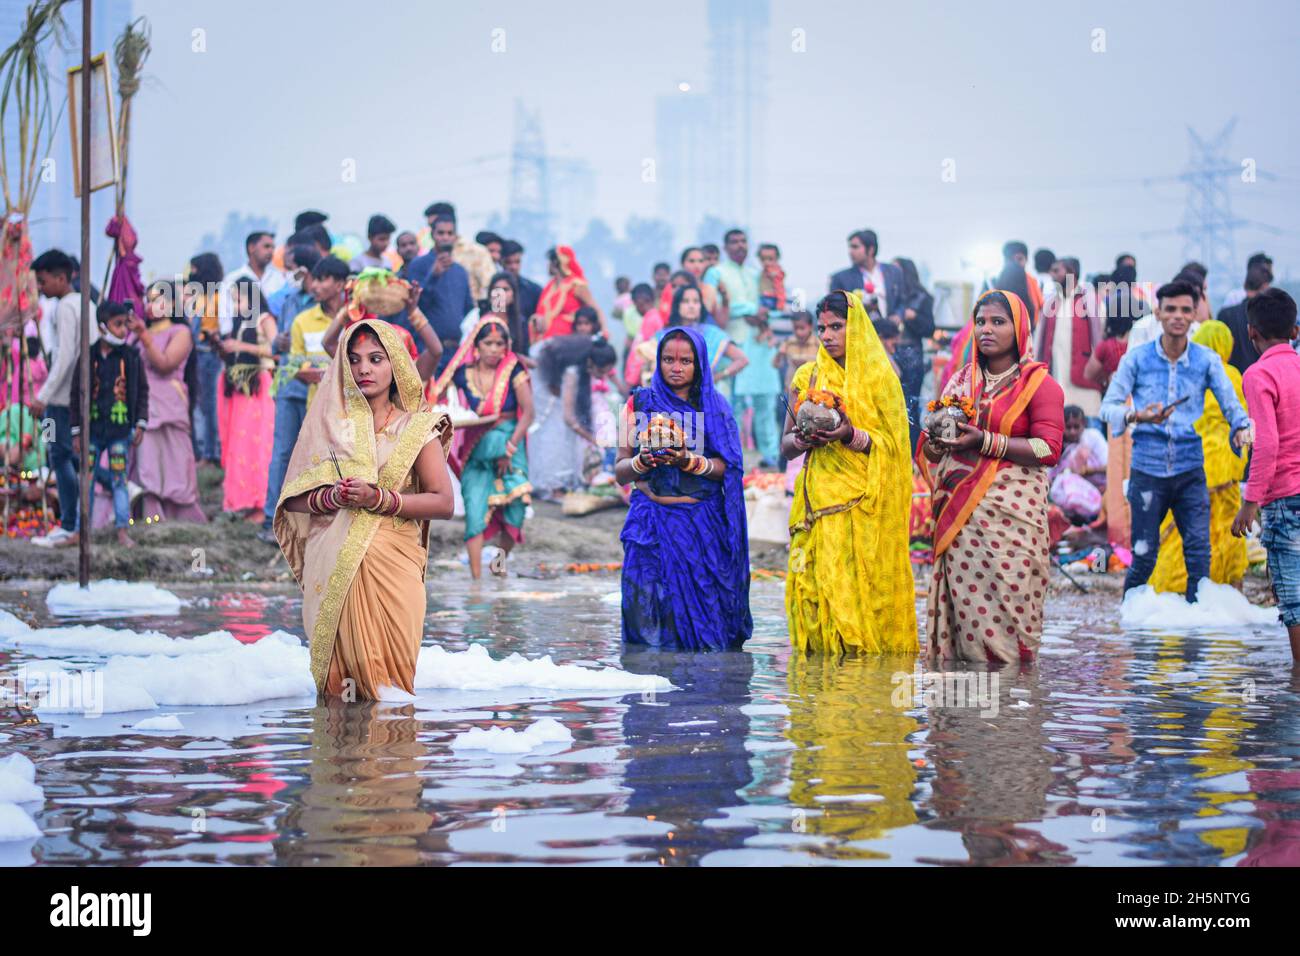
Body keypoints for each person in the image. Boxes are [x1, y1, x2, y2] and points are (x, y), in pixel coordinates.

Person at [275, 319, 455, 700]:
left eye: (376, 359)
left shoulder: (418, 428)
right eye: (354, 360)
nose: (364, 369)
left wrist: (380, 499)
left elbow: (443, 502)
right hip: (335, 562)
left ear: (396, 366)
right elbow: (291, 498)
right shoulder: (328, 429)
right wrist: (331, 498)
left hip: (394, 569)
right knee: (339, 699)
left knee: (390, 696)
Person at [921, 290, 1064, 664]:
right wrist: (936, 439)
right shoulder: (961, 382)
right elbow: (931, 450)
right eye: (981, 321)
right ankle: (959, 714)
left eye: (998, 321)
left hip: (1011, 521)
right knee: (963, 624)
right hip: (961, 518)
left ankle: (1009, 709)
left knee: (1010, 614)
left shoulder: (1038, 384)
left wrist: (986, 441)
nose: (986, 329)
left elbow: (1048, 449)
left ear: (1019, 328)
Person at [1101, 280, 1251, 602]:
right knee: (1143, 554)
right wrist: (1138, 416)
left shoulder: (1206, 361)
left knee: (1198, 554)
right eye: (1171, 309)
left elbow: (1234, 409)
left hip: (1190, 469)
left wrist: (1241, 429)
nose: (1178, 316)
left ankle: (1195, 631)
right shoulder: (1137, 359)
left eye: (1186, 309)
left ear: (1195, 314)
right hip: (1148, 469)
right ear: (1158, 312)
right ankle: (1132, 628)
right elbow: (1108, 407)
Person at [783, 290, 916, 654]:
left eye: (836, 326)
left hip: (864, 506)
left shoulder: (880, 379)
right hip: (817, 504)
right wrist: (806, 437)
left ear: (855, 328)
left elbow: (895, 448)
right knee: (814, 591)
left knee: (858, 594)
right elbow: (785, 447)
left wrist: (848, 435)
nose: (826, 335)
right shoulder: (807, 377)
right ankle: (819, 691)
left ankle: (860, 684)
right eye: (821, 327)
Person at [616, 326, 751, 649]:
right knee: (644, 612)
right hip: (649, 524)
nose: (676, 368)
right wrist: (643, 462)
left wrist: (688, 461)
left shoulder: (716, 407)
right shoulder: (637, 404)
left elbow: (729, 469)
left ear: (700, 365)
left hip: (700, 526)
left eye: (686, 361)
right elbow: (620, 470)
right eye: (668, 359)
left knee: (700, 623)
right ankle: (648, 687)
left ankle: (698, 692)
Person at [1149, 320, 1248, 594]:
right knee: (1228, 527)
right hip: (1225, 467)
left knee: (1184, 529)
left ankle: (1175, 588)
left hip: (1188, 464)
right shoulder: (1234, 376)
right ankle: (1229, 587)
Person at [433, 316, 534, 580]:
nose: (494, 349)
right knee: (476, 512)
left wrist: (509, 448)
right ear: (476, 346)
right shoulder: (463, 372)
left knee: (515, 512)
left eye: (500, 343)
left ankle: (498, 565)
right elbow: (441, 398)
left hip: (510, 442)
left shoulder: (514, 369)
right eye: (488, 343)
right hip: (476, 447)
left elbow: (528, 413)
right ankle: (476, 583)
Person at [256, 256, 346, 544]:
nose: (317, 285)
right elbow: (294, 365)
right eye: (315, 279)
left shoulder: (358, 317)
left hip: (353, 411)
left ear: (341, 284)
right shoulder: (302, 320)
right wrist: (321, 375)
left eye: (324, 279)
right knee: (297, 459)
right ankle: (284, 524)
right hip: (315, 406)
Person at [1232, 289, 1300, 658]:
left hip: (1286, 498)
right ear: (1296, 330)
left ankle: (1296, 686)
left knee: (1292, 597)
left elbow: (1268, 444)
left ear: (1251, 333)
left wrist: (1250, 502)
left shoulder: (1259, 375)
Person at [31, 249, 96, 548]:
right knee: (57, 453)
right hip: (63, 397)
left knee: (59, 454)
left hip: (59, 400)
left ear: (61, 278)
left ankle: (71, 524)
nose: (41, 288)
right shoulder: (83, 305)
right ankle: (70, 523)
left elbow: (66, 356)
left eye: (43, 282)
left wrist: (42, 396)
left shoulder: (67, 308)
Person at [69, 301, 148, 548]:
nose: (124, 330)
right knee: (87, 479)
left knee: (118, 479)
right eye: (118, 325)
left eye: (125, 324)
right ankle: (81, 532)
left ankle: (122, 531)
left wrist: (140, 423)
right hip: (91, 432)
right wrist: (76, 431)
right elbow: (75, 394)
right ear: (102, 327)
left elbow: (143, 391)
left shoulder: (132, 356)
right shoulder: (88, 355)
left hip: (119, 432)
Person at [129, 281, 205, 524]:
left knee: (175, 461)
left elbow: (165, 364)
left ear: (173, 303)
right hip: (141, 404)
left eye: (158, 299)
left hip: (169, 403)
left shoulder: (180, 332)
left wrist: (144, 336)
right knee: (145, 461)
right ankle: (149, 515)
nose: (151, 305)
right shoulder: (136, 334)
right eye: (148, 300)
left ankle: (179, 517)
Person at [714, 228, 781, 467]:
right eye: (734, 242)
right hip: (733, 345)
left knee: (765, 401)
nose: (740, 246)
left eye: (743, 241)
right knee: (735, 405)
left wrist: (762, 314)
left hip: (759, 343)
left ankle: (770, 457)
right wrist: (749, 310)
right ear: (726, 247)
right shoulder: (717, 272)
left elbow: (772, 303)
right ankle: (734, 457)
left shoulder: (756, 274)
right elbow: (714, 307)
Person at [217, 277, 277, 519]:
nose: (236, 305)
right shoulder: (240, 323)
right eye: (234, 300)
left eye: (239, 299)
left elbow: (277, 350)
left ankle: (261, 504)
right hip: (242, 387)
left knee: (259, 444)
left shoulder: (264, 319)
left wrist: (242, 346)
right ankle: (244, 500)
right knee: (242, 445)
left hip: (261, 385)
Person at [529, 335, 618, 498]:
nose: (601, 377)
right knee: (555, 435)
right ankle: (553, 488)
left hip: (558, 395)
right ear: (591, 362)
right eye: (600, 372)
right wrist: (593, 440)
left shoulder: (581, 366)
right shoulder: (573, 372)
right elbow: (569, 419)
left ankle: (560, 486)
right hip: (549, 399)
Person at [1034, 257, 1104, 421]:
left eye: (1057, 270)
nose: (1052, 275)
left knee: (1089, 424)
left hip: (1084, 376)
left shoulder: (1088, 299)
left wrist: (1101, 369)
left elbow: (1098, 337)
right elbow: (1039, 341)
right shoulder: (1051, 302)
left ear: (1071, 272)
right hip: (1055, 376)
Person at [408, 215, 474, 364]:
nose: (445, 237)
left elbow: (468, 310)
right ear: (432, 235)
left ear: (455, 237)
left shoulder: (460, 271)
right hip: (428, 350)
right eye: (441, 233)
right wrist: (433, 275)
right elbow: (414, 305)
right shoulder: (419, 265)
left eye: (450, 233)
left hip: (457, 352)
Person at [185, 252, 224, 468]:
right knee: (200, 405)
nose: (191, 273)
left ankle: (211, 453)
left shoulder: (216, 298)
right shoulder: (198, 297)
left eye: (194, 269)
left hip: (209, 355)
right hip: (197, 355)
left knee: (209, 405)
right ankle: (204, 451)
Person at [892, 256, 935, 443]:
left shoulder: (921, 297)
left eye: (895, 270)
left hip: (912, 354)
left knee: (910, 403)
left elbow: (929, 329)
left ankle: (912, 452)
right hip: (889, 353)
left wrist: (913, 316)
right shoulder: (890, 296)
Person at [420, 202, 495, 302]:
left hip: (474, 315)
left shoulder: (476, 252)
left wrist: (499, 314)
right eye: (430, 227)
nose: (431, 231)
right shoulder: (426, 258)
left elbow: (497, 287)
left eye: (435, 224)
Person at [1047, 405, 1108, 527]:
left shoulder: (1093, 437)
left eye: (1076, 427)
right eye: (1068, 428)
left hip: (1102, 491)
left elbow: (1110, 466)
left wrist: (1088, 471)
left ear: (1084, 424)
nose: (1072, 431)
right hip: (1069, 501)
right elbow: (1049, 477)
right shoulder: (1057, 446)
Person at [829, 230, 905, 325]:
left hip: (890, 334)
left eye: (855, 247)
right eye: (850, 247)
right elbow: (836, 310)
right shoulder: (841, 278)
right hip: (860, 333)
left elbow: (903, 301)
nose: (850, 252)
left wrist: (898, 316)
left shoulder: (893, 272)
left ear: (870, 250)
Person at [532, 245, 605, 341]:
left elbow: (596, 309)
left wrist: (603, 332)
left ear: (557, 262)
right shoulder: (550, 288)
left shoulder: (576, 285)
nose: (548, 265)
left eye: (550, 261)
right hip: (548, 342)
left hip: (570, 342)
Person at [220, 231, 286, 332]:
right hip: (240, 338)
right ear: (251, 248)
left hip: (274, 337)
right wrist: (228, 337)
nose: (271, 251)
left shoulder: (279, 279)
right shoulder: (232, 279)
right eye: (266, 246)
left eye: (273, 247)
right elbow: (225, 312)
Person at [1220, 261, 1273, 374]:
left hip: (1232, 380)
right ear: (1265, 286)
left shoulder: (1225, 314)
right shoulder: (1269, 315)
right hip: (1262, 378)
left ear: (1245, 285)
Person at [499, 239, 542, 320]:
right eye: (509, 262)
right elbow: (497, 317)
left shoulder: (533, 290)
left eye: (517, 262)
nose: (513, 267)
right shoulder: (496, 289)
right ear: (501, 262)